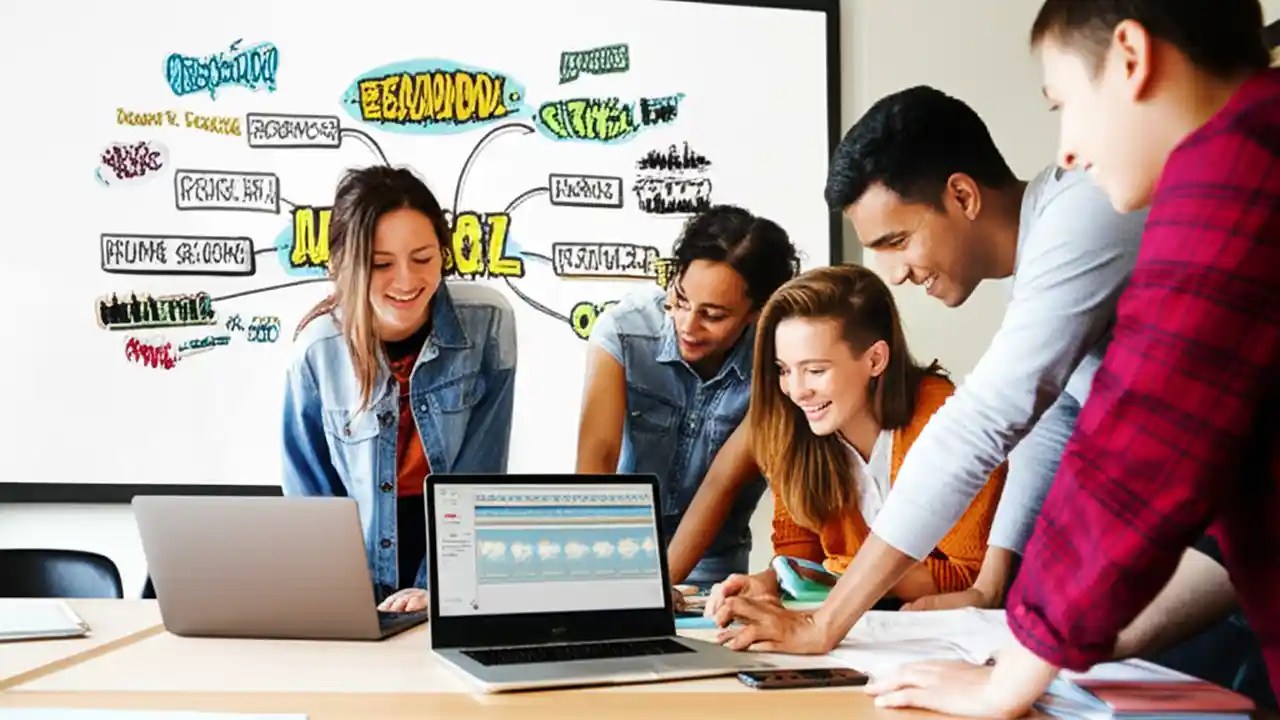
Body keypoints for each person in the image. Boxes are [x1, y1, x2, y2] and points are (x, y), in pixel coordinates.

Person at [862, 1, 1280, 716]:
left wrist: (1009, 679)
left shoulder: (1235, 165)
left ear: (1130, 57)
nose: (1066, 151)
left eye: (1065, 104)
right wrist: (1035, 633)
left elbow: (1136, 447)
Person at [706, 84, 1146, 645]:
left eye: (899, 241)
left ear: (962, 196)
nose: (892, 276)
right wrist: (991, 584)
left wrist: (826, 621)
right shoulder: (1042, 256)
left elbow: (984, 423)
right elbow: (1046, 422)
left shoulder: (1081, 212)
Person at [282, 165, 518, 613]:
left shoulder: (489, 324)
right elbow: (309, 498)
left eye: (424, 258)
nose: (407, 281)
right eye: (381, 264)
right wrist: (347, 597)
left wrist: (439, 584)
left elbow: (480, 473)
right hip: (354, 574)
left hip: (453, 561)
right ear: (345, 266)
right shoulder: (317, 350)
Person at [707, 264, 1006, 613]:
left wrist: (839, 572)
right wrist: (767, 583)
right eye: (784, 370)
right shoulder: (793, 430)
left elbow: (971, 574)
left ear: (875, 359)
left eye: (815, 370)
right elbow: (801, 557)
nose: (796, 391)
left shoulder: (941, 419)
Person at [576, 204, 799, 587]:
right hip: (621, 550)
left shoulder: (778, 360)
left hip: (713, 565)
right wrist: (604, 581)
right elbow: (597, 460)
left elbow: (721, 484)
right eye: (680, 300)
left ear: (757, 312)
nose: (687, 325)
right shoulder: (626, 331)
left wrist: (656, 593)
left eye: (713, 316)